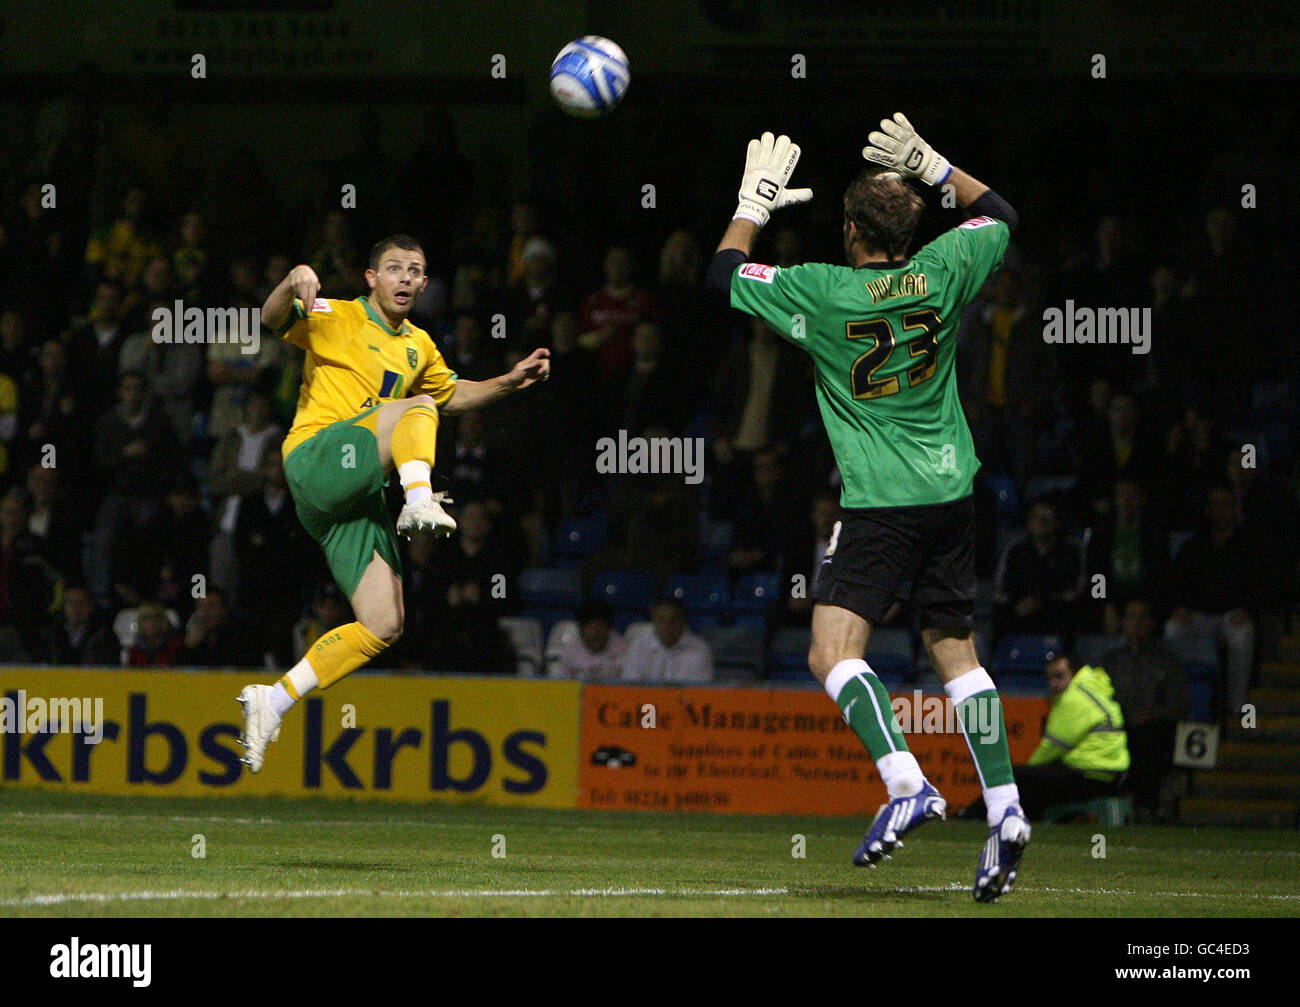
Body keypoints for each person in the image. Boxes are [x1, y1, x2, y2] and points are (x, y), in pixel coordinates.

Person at [705, 116, 1029, 901]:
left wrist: (755, 200)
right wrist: (938, 163)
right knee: (958, 653)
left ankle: (905, 779)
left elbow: (722, 274)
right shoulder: (948, 264)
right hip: (954, 493)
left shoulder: (822, 289)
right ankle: (1007, 808)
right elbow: (1007, 217)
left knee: (831, 652)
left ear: (849, 229)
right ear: (914, 225)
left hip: (882, 501)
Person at [236, 234, 550, 772]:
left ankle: (275, 699)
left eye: (416, 271)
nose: (406, 278)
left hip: (351, 498)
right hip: (317, 457)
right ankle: (420, 498)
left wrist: (508, 381)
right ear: (371, 278)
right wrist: (294, 277)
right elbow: (269, 319)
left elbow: (450, 396)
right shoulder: (335, 314)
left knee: (383, 623)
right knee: (414, 409)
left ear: (426, 284)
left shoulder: (419, 345)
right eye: (395, 268)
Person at [961, 653, 1129, 820]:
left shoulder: (1074, 698)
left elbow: (1053, 748)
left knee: (1020, 777)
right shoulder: (1094, 689)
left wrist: (1026, 770)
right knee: (1033, 780)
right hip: (1110, 774)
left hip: (1092, 776)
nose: (1053, 683)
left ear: (1075, 673)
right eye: (1050, 678)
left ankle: (970, 816)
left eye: (1059, 676)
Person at [1102, 597, 1187, 821]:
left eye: (1143, 617)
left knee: (1147, 740)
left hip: (1154, 731)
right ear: (1123, 622)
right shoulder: (1111, 661)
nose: (1136, 623)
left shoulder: (1168, 661)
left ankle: (1144, 805)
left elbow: (1180, 706)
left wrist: (1152, 714)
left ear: (1151, 623)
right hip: (1115, 728)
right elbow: (1097, 701)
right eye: (1131, 617)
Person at [620, 598, 713, 684]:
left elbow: (699, 692)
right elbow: (630, 687)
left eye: (674, 620)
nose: (668, 625)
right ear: (654, 621)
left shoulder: (700, 649)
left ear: (683, 621)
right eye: (661, 620)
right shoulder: (638, 647)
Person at [555, 601, 626, 681]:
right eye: (590, 627)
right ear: (581, 630)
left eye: (599, 626)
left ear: (608, 629)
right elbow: (561, 682)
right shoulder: (570, 650)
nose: (595, 632)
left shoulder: (622, 650)